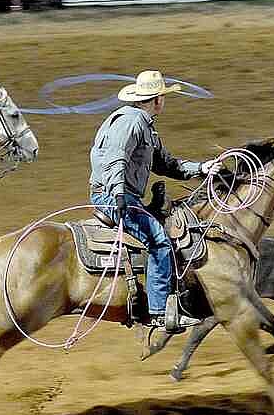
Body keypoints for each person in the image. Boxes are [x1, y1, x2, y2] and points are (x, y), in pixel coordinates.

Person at [88, 70, 221, 334]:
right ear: (157, 99)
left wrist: (202, 168)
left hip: (120, 193)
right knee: (159, 241)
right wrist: (117, 194)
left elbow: (166, 164)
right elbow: (117, 157)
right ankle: (159, 312)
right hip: (114, 196)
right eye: (163, 97)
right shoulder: (132, 122)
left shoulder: (144, 125)